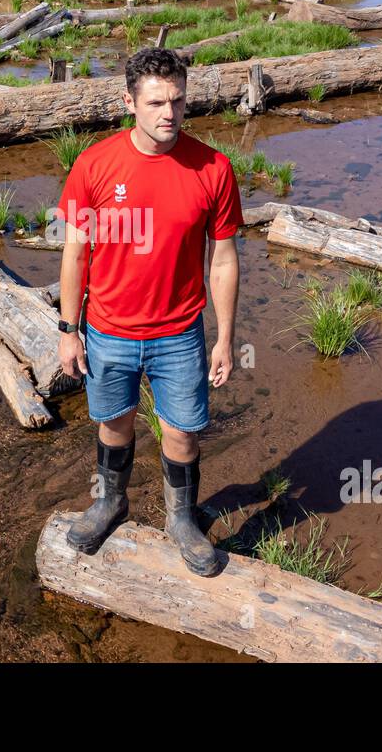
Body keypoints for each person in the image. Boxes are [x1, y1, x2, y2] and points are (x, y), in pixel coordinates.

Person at [55, 47, 243, 576]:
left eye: (178, 101)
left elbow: (224, 260)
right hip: (108, 330)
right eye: (156, 102)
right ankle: (111, 501)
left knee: (182, 432)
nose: (169, 113)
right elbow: (75, 252)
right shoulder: (94, 164)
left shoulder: (213, 169)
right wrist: (69, 331)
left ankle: (181, 519)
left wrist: (224, 337)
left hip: (179, 333)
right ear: (129, 102)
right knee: (114, 425)